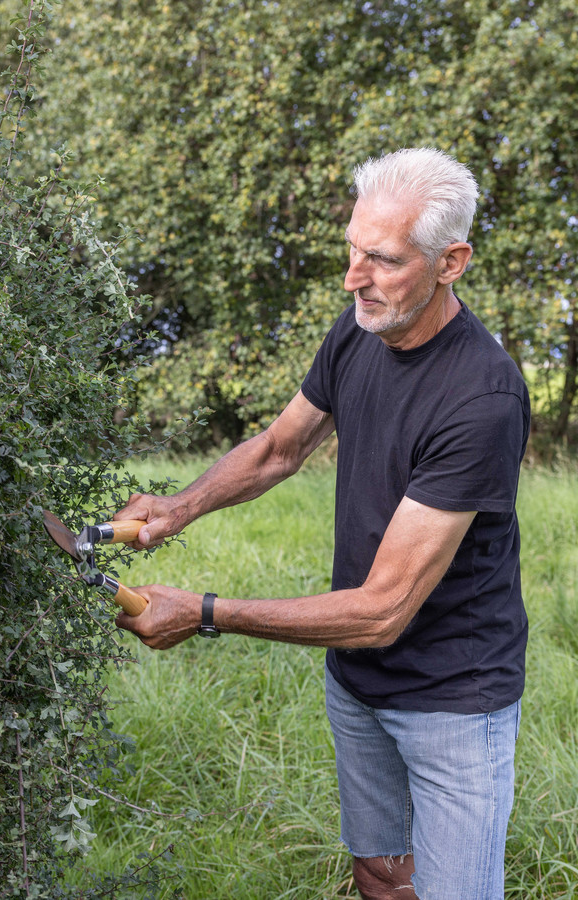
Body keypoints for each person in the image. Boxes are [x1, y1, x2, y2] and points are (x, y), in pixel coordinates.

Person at [114, 147, 530, 900]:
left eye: (382, 259)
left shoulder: (482, 399)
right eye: (351, 250)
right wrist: (177, 508)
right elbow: (280, 448)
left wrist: (206, 613)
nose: (353, 279)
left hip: (453, 700)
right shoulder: (360, 329)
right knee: (378, 871)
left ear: (452, 261)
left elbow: (380, 610)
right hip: (358, 682)